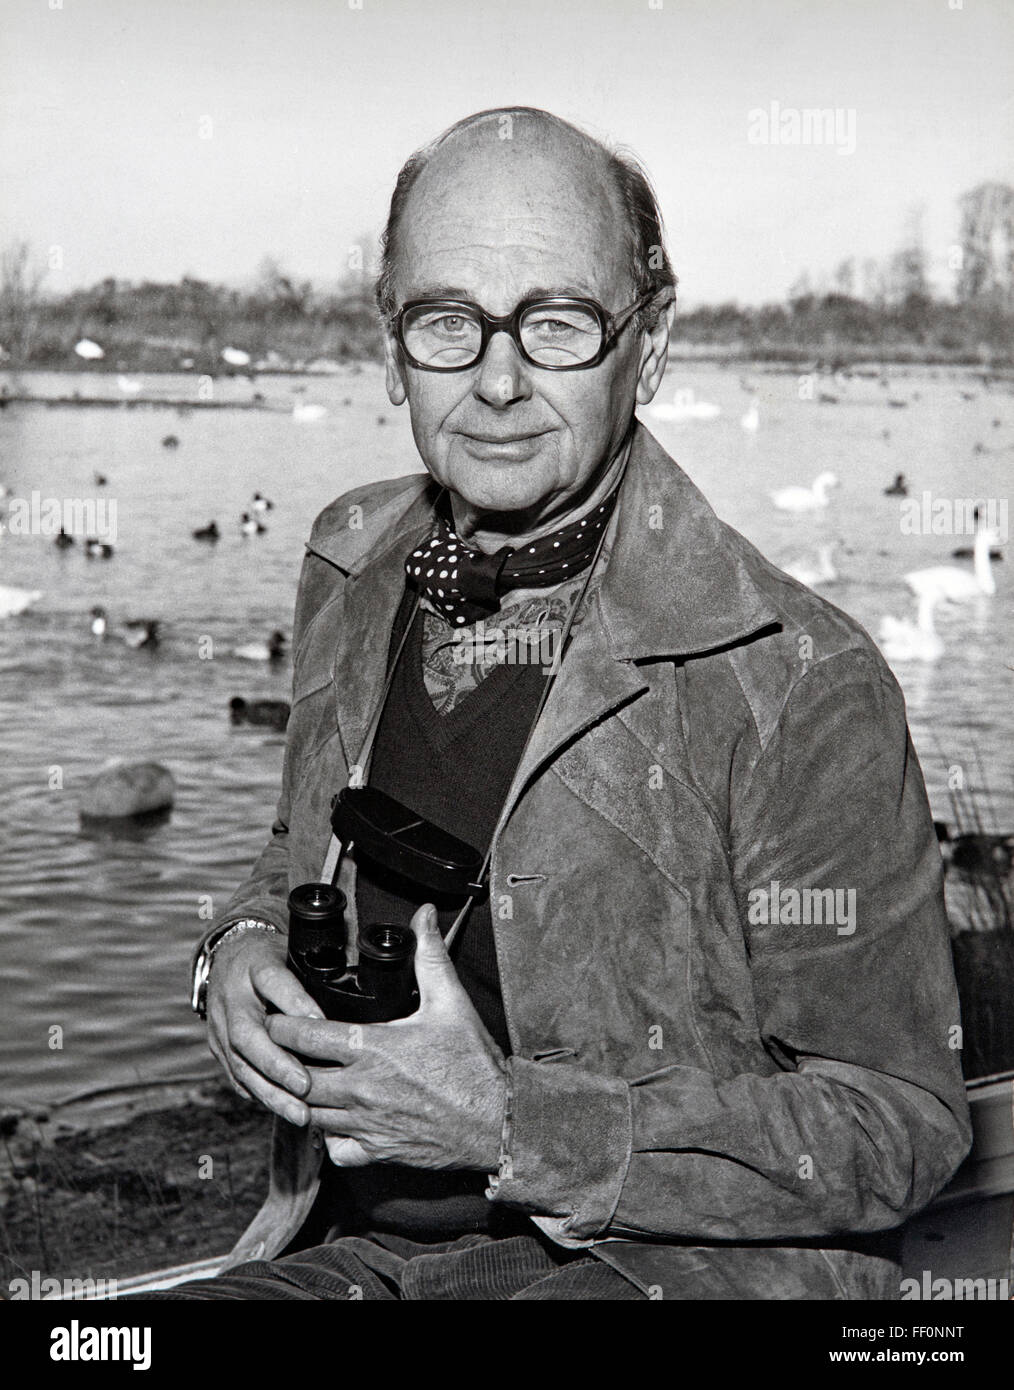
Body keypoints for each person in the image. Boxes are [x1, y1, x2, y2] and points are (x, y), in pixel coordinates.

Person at [165, 108, 970, 1301]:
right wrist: (233, 952)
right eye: (447, 321)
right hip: (347, 1249)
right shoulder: (349, 559)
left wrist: (509, 1125)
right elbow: (296, 856)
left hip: (672, 1269)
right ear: (392, 349)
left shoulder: (802, 679)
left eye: (556, 323)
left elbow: (897, 1127)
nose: (496, 380)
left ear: (647, 347)